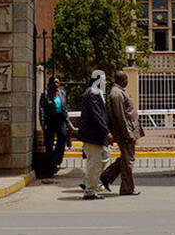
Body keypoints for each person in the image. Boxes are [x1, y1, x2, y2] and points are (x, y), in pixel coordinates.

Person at [100, 70, 142, 196]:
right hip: (125, 133)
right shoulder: (116, 94)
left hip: (127, 131)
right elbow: (120, 117)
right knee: (128, 161)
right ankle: (127, 188)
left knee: (125, 158)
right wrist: (128, 134)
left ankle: (105, 177)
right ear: (122, 79)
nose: (127, 81)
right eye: (126, 79)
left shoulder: (118, 92)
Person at [76, 70, 110, 200]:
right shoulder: (92, 94)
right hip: (93, 135)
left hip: (96, 135)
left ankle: (89, 183)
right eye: (104, 80)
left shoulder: (95, 93)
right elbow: (97, 115)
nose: (105, 82)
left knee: (103, 157)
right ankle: (90, 190)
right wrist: (106, 131)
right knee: (94, 163)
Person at [39, 76, 71, 176]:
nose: (56, 85)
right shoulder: (45, 95)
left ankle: (57, 159)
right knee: (49, 143)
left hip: (60, 120)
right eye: (55, 83)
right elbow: (42, 110)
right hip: (50, 121)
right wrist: (43, 123)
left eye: (58, 83)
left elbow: (64, 109)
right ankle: (50, 167)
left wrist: (67, 122)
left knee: (63, 138)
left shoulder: (62, 93)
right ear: (50, 84)